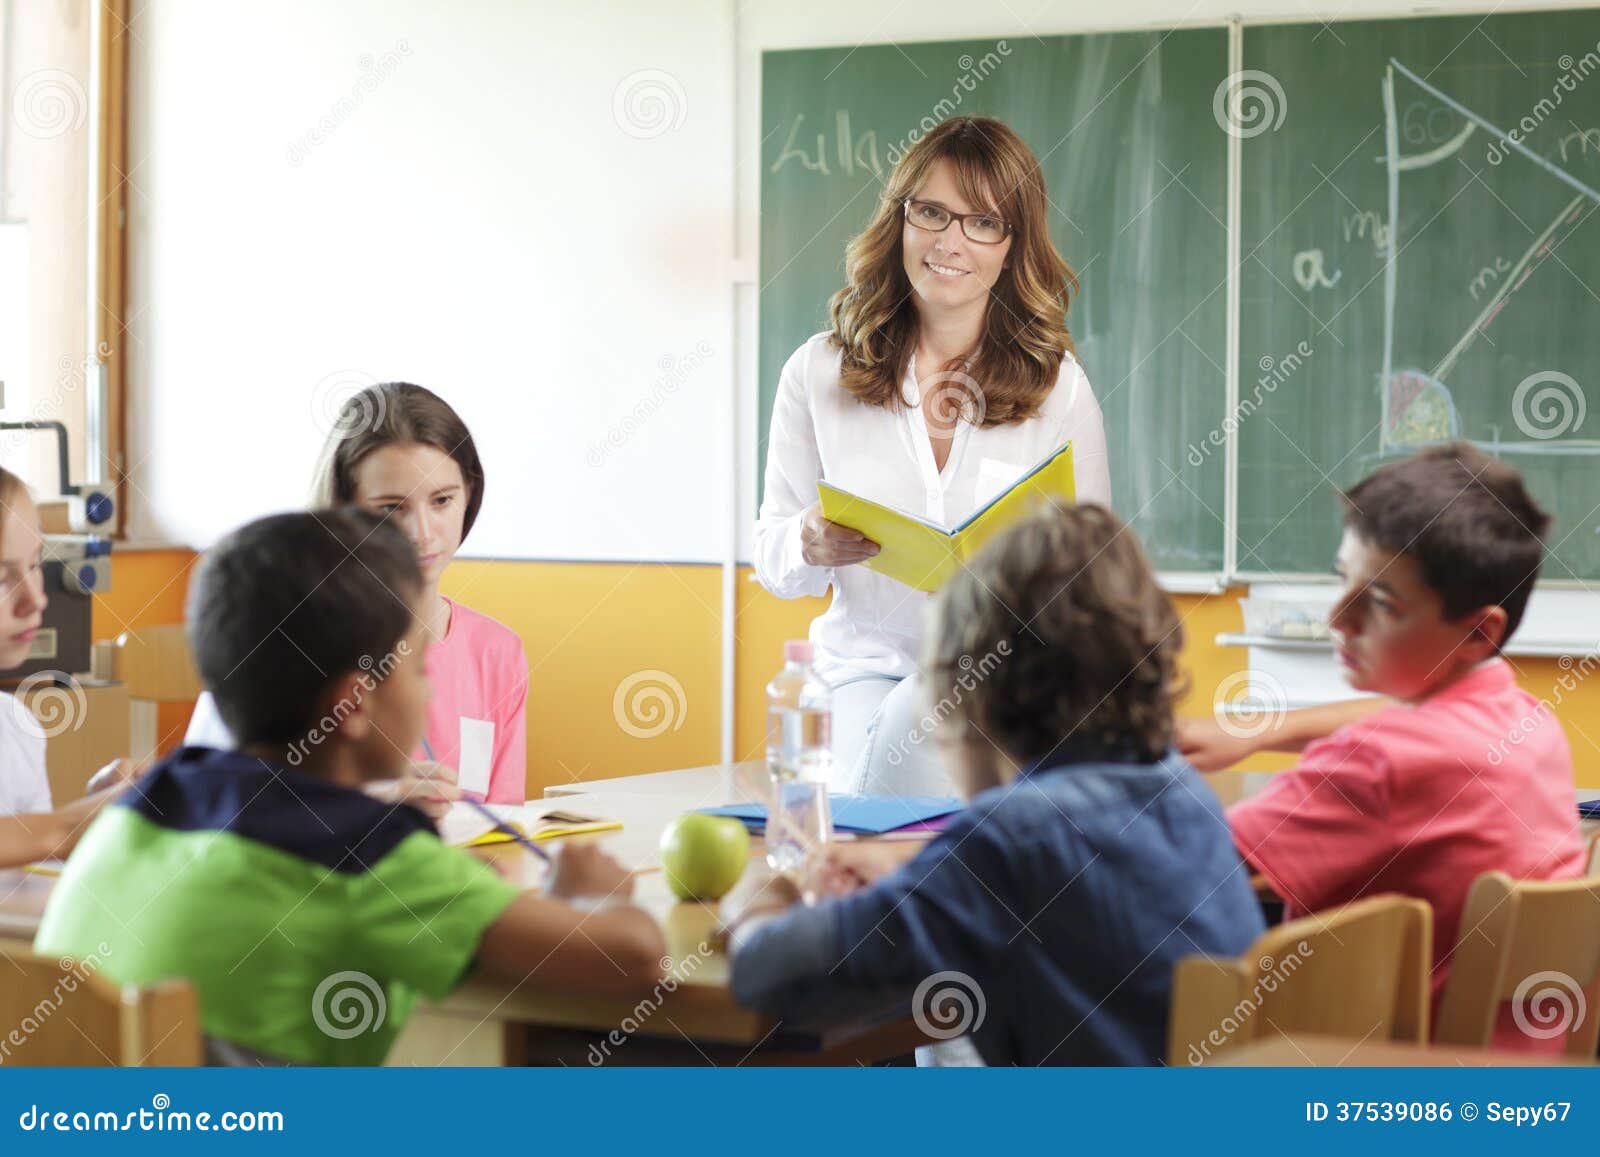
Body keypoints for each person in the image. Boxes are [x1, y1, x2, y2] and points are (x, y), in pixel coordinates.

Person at [36, 509, 662, 1064]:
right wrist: (599, 897)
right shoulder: (369, 858)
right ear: (354, 704)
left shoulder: (149, 801)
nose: (430, 688)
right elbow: (634, 957)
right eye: (418, 668)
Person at [726, 503, 1263, 1065]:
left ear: (971, 697)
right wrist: (923, 872)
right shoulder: (1181, 792)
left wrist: (768, 893)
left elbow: (769, 970)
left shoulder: (1010, 840)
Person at [754, 116, 1111, 797]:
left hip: (1003, 677)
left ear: (1012, 244)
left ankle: (865, 877)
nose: (950, 242)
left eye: (982, 222)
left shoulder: (1057, 382)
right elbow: (773, 560)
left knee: (914, 738)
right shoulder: (818, 370)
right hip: (862, 671)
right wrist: (806, 541)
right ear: (901, 221)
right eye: (932, 213)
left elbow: (1094, 569)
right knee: (903, 736)